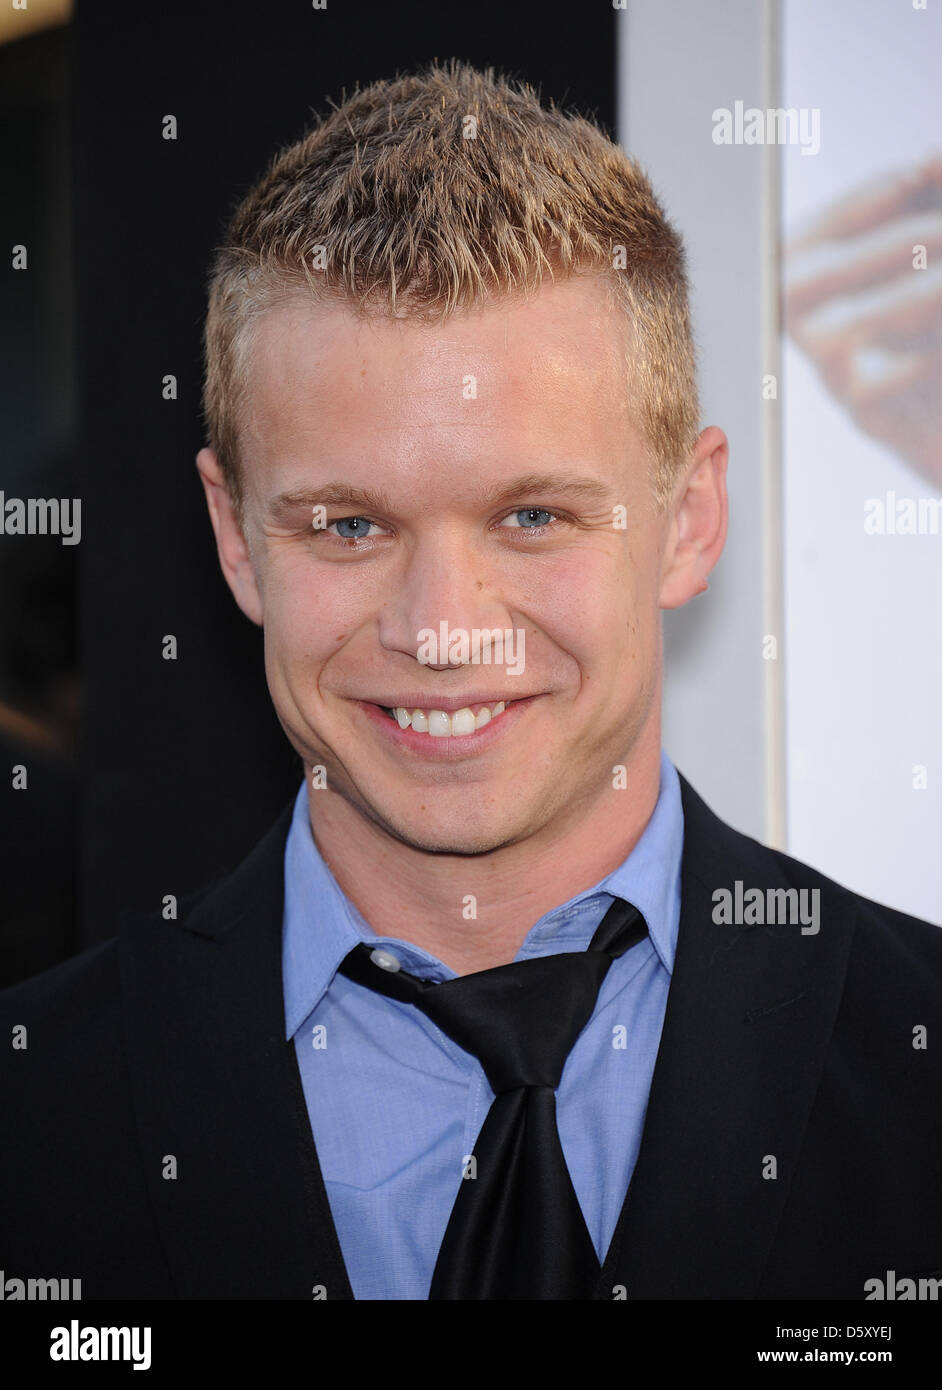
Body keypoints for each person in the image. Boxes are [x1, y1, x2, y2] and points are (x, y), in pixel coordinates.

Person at [2, 60, 940, 1302]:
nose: (442, 631)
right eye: (347, 526)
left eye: (533, 515)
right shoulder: (33, 1117)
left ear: (691, 517)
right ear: (236, 539)